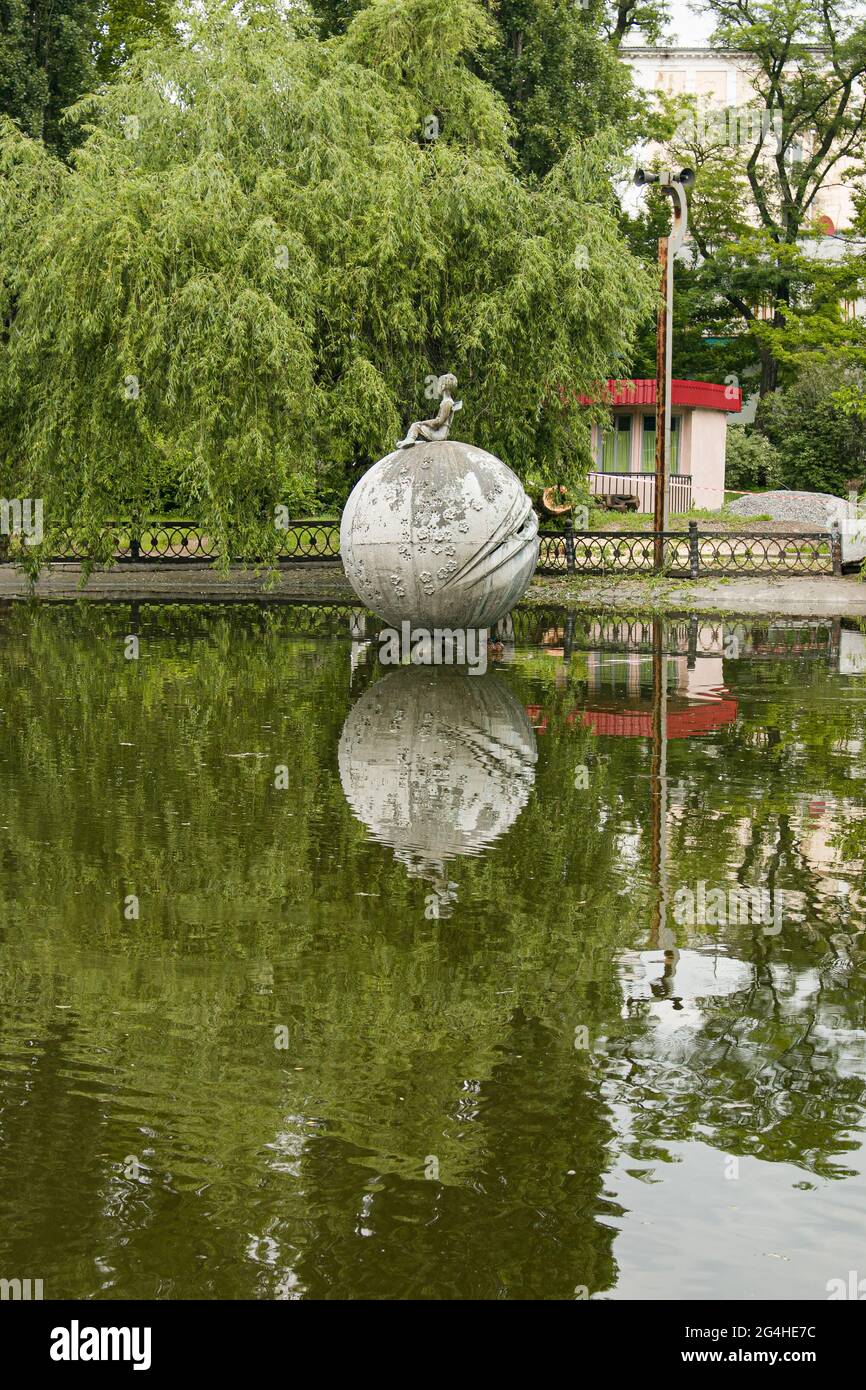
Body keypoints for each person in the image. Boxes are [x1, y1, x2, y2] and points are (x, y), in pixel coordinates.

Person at [396, 374, 462, 448]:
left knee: (416, 426)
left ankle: (410, 440)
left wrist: (423, 422)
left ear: (443, 386)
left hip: (440, 435)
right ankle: (410, 441)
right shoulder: (446, 402)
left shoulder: (447, 403)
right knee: (419, 430)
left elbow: (439, 421)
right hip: (439, 432)